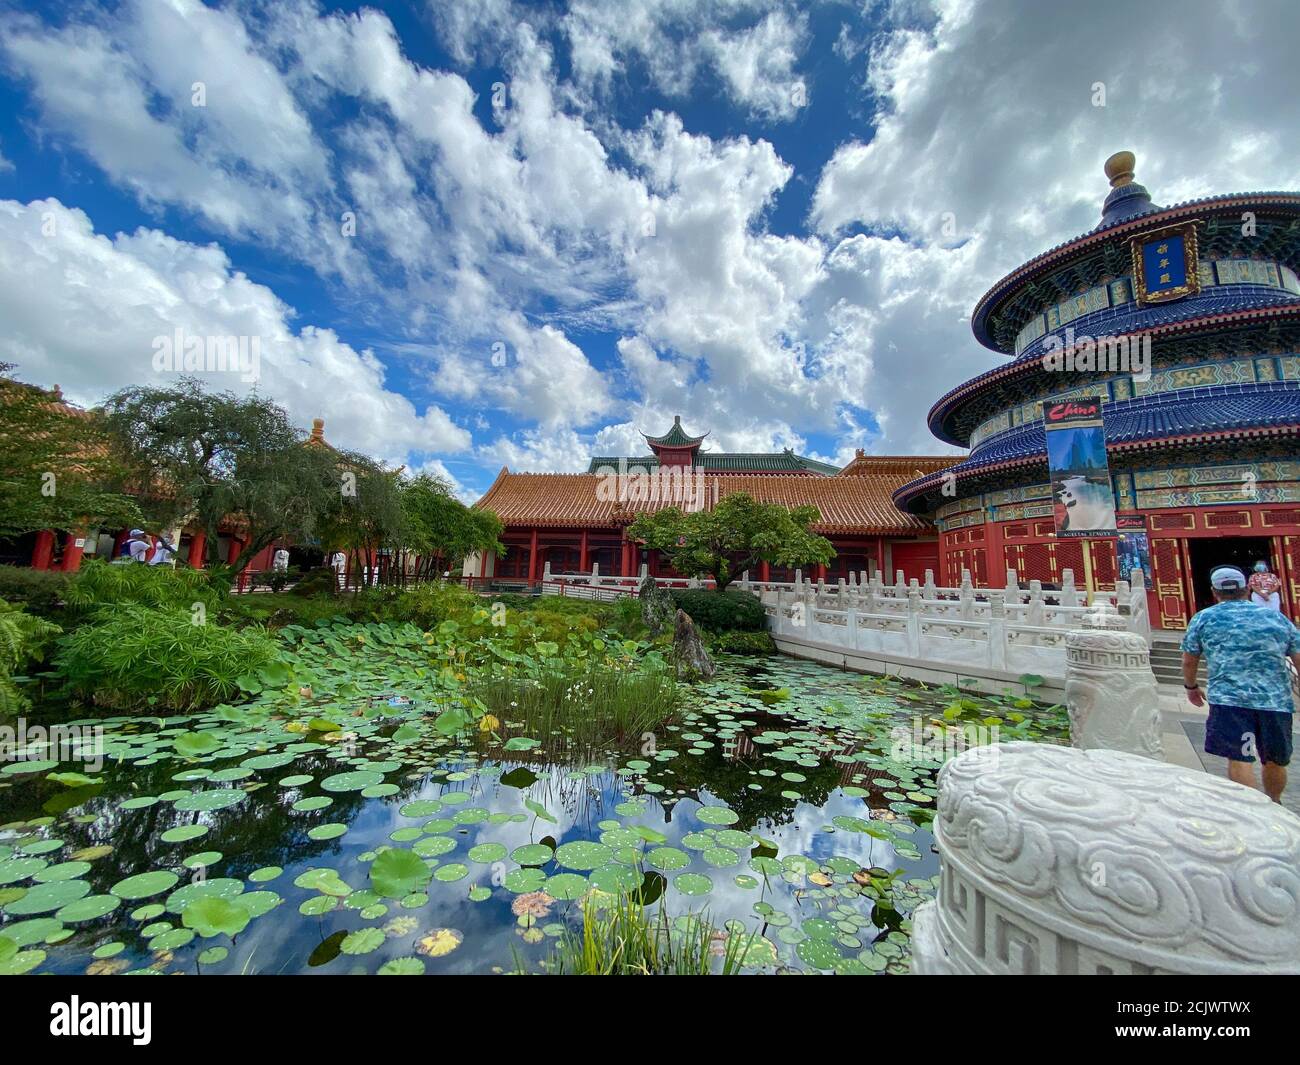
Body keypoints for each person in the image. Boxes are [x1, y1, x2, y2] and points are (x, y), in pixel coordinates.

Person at [1182, 565, 1300, 803]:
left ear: (1214, 592)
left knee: (1239, 757)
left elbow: (1189, 661)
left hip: (1229, 701)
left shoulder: (1204, 619)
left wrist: (1191, 687)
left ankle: (1252, 810)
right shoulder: (1276, 618)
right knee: (1275, 759)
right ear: (1247, 589)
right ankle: (1275, 803)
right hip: (1275, 701)